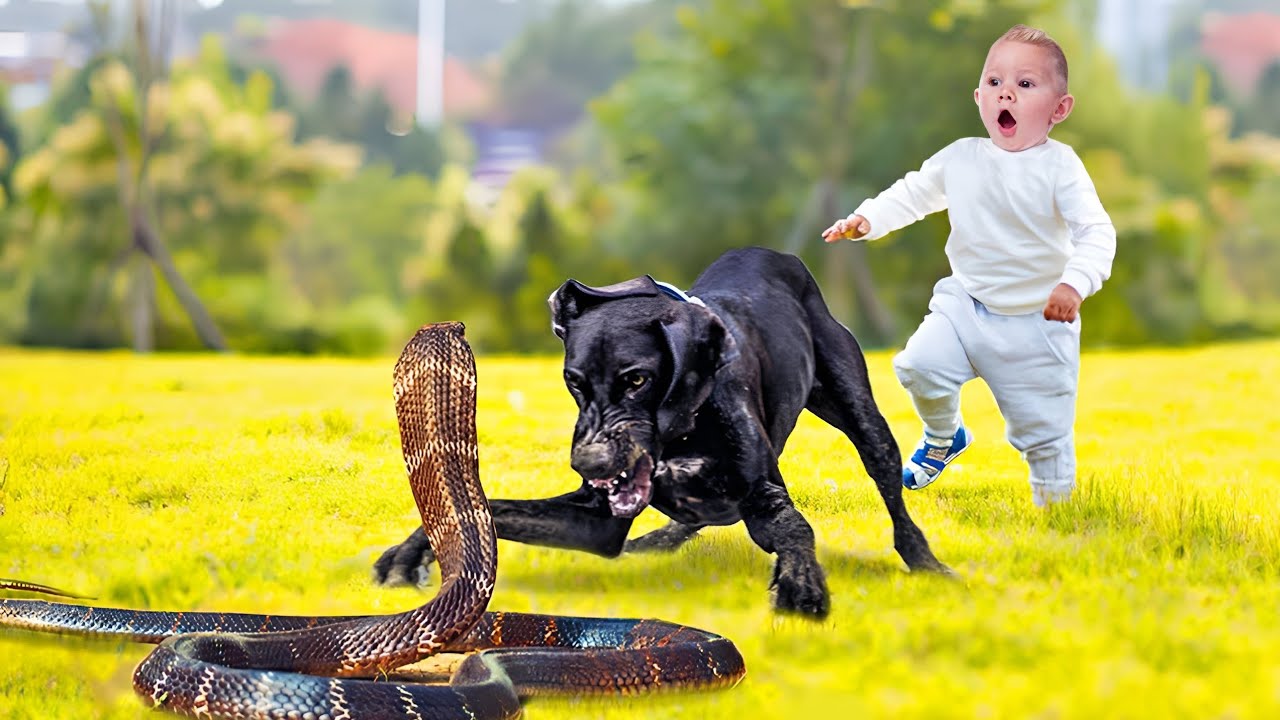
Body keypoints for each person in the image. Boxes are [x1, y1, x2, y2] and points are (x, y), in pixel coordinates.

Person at [821, 24, 1116, 507]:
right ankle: (943, 437)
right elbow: (915, 192)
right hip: (968, 305)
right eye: (996, 83)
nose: (1007, 94)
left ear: (1059, 109)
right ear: (979, 96)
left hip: (1038, 322)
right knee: (918, 366)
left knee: (1043, 436)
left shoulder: (1060, 167)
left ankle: (1057, 512)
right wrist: (867, 217)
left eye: (1025, 84)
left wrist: (1074, 283)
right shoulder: (962, 158)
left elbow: (1097, 233)